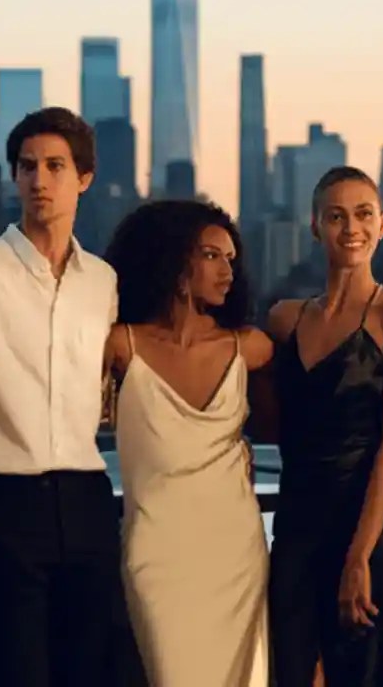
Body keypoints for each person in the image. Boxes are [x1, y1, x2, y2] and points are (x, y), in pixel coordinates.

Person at [0, 107, 125, 686]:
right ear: (12, 177)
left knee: (88, 672)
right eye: (27, 166)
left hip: (88, 501)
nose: (39, 180)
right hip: (0, 506)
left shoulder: (104, 283)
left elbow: (104, 395)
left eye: (55, 166)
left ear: (84, 178)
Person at [260, 167, 383, 686]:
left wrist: (359, 557)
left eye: (362, 215)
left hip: (374, 536)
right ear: (315, 226)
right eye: (335, 216)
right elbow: (264, 421)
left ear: (382, 225)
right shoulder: (284, 319)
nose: (349, 227)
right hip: (295, 533)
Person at [101, 199, 274, 686]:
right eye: (212, 256)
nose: (227, 271)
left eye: (231, 260)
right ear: (175, 262)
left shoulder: (250, 348)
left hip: (233, 548)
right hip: (157, 550)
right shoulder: (119, 345)